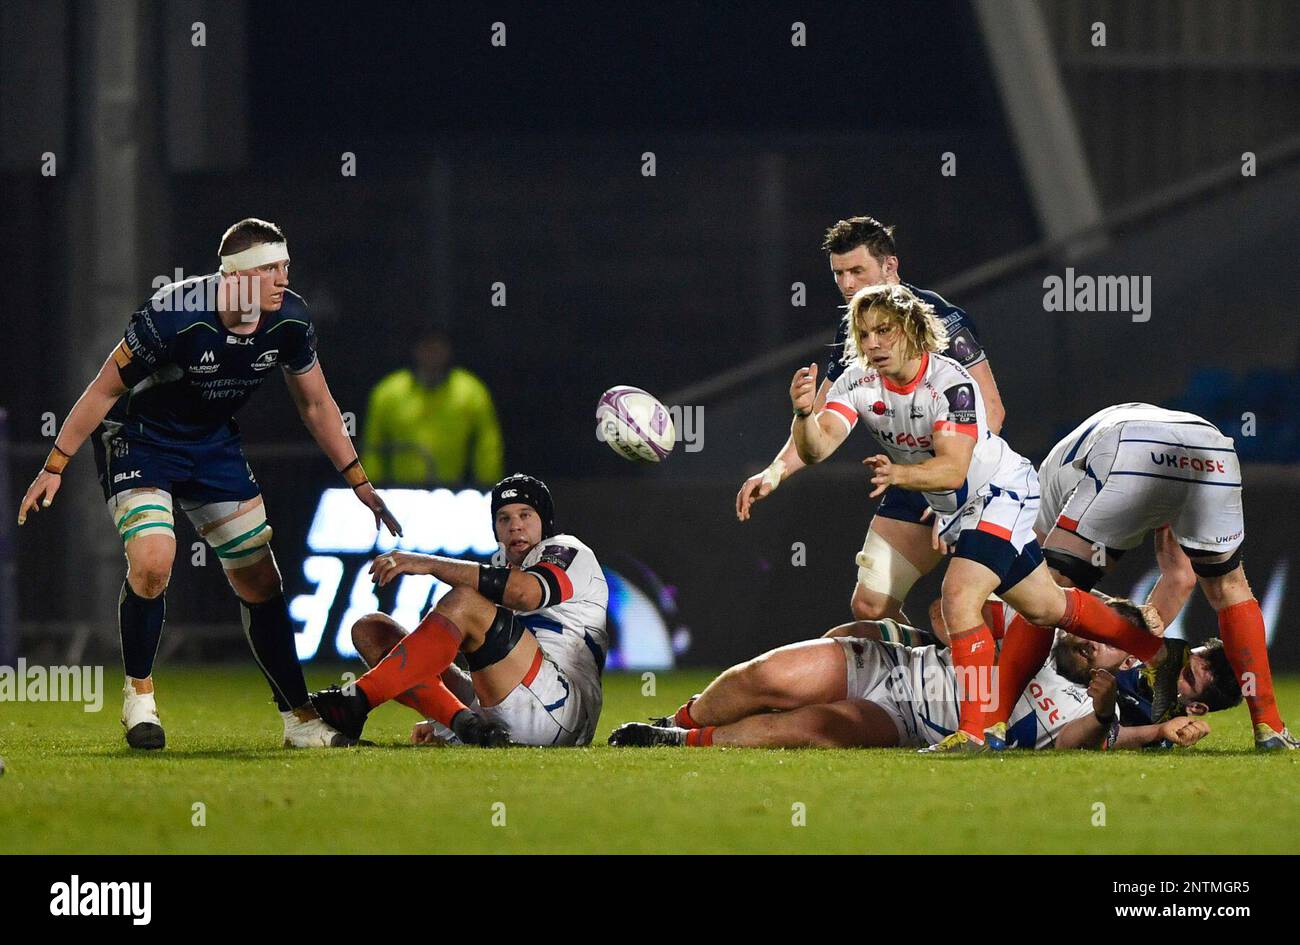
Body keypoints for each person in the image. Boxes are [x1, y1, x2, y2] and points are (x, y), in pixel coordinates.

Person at [16, 218, 400, 749]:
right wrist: (55, 464)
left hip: (213, 446)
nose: (283, 279)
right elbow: (105, 389)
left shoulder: (289, 320)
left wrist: (359, 481)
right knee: (152, 562)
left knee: (261, 583)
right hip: (141, 440)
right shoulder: (174, 314)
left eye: (285, 267)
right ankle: (140, 698)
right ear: (235, 276)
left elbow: (316, 403)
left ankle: (298, 718)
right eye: (270, 268)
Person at [782, 283, 1185, 752]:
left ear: (911, 329)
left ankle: (976, 733)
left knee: (958, 597)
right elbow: (819, 446)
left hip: (1000, 493)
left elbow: (953, 468)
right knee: (1048, 608)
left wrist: (900, 474)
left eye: (884, 331)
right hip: (955, 507)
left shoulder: (950, 383)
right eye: (865, 333)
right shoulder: (857, 379)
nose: (873, 343)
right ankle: (1158, 653)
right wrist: (802, 416)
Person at [736, 215, 1006, 624]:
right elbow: (819, 422)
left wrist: (951, 489)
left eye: (856, 271)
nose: (846, 285)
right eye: (838, 274)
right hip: (907, 477)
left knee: (973, 608)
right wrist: (775, 472)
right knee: (870, 608)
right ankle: (916, 678)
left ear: (890, 267)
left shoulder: (940, 321)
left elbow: (992, 409)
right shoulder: (855, 338)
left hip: (975, 481)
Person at [989, 402, 1296, 750]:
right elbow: (1180, 578)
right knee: (1230, 586)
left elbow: (1041, 598)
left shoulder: (1034, 501)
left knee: (1047, 591)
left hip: (1128, 447)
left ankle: (991, 723)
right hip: (1214, 448)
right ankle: (1269, 727)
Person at [607, 601, 1235, 751]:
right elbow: (942, 614)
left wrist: (1148, 728)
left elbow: (1093, 736)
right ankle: (679, 717)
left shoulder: (1090, 709)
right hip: (898, 664)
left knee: (804, 726)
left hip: (908, 720)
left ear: (1121, 658)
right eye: (1084, 624)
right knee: (764, 674)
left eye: (1099, 641)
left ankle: (678, 743)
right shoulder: (1037, 621)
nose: (1080, 636)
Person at [310, 474, 608, 747]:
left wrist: (428, 564)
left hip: (560, 714)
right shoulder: (505, 574)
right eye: (503, 518)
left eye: (525, 515)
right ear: (495, 530)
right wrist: (438, 717)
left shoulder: (569, 551)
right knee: (371, 631)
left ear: (546, 522)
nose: (514, 525)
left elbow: (525, 593)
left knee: (466, 602)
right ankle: (464, 724)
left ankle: (357, 701)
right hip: (511, 703)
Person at [361, 330, 504, 486]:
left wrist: (487, 486)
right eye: (427, 348)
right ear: (416, 350)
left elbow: (488, 445)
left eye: (438, 348)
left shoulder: (471, 392)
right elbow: (372, 446)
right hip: (399, 490)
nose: (432, 355)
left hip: (452, 491)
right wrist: (371, 488)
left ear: (448, 351)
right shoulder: (388, 392)